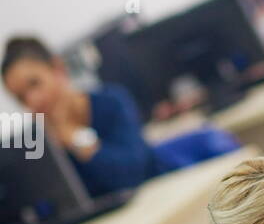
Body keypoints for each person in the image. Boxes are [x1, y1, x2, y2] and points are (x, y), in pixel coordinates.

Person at [1, 35, 171, 197]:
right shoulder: (39, 143)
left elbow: (132, 175)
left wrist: (74, 137)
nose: (33, 100)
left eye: (34, 83)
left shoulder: (111, 102)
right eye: (21, 97)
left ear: (58, 69)